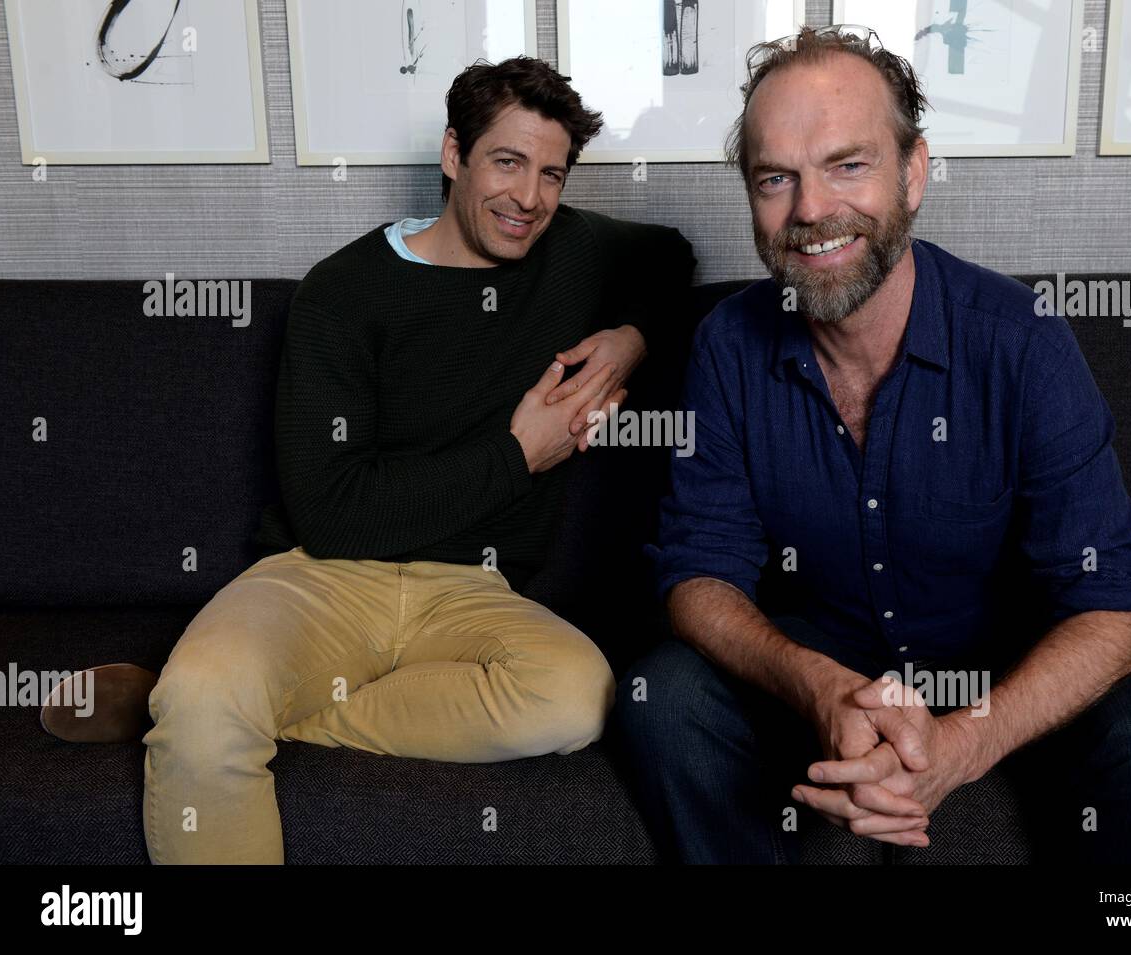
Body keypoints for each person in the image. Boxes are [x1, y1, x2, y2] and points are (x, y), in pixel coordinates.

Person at [42, 55, 696, 865]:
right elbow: (332, 508)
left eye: (552, 174)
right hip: (323, 571)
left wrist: (626, 345)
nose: (529, 197)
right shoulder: (342, 293)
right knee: (209, 699)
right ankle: (207, 705)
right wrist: (520, 455)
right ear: (454, 155)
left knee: (578, 694)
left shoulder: (571, 252)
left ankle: (237, 712)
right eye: (507, 162)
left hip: (472, 588)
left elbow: (670, 257)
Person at [613, 26, 1131, 864]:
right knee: (663, 698)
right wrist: (820, 686)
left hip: (1006, 672)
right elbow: (695, 573)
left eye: (847, 164)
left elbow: (1118, 613)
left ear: (914, 171)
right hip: (817, 668)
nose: (812, 209)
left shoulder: (1022, 341)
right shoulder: (728, 343)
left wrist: (961, 743)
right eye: (775, 178)